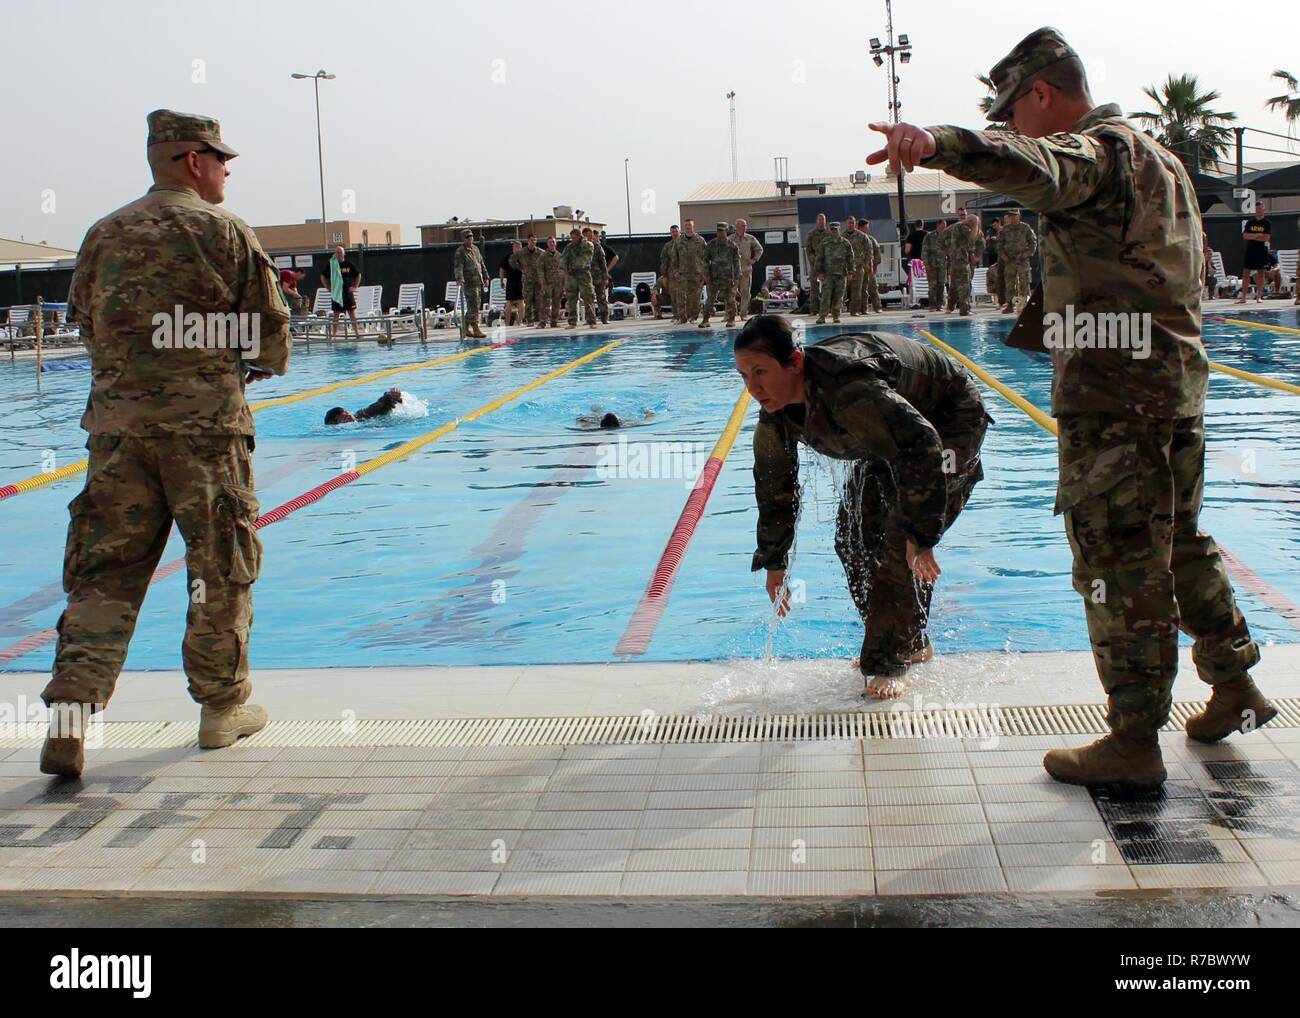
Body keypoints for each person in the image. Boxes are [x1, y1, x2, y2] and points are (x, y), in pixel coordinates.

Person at [868, 25, 1273, 786]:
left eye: (1010, 113)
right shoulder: (1160, 158)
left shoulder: (1098, 152)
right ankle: (1236, 685)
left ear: (1043, 95)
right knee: (1181, 543)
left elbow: (1040, 164)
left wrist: (940, 144)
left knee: (1118, 560)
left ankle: (1133, 743)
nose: (1010, 127)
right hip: (1175, 390)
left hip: (1117, 401)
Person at [39, 109, 291, 778]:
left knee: (104, 577)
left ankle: (69, 715)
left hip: (118, 434)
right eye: (220, 159)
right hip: (206, 435)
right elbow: (269, 336)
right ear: (191, 161)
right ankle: (220, 709)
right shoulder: (226, 232)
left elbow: (86, 327)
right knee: (219, 567)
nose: (227, 170)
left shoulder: (104, 232)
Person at [736, 315, 988, 698]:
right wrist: (775, 558)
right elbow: (775, 487)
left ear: (796, 362)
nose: (753, 388)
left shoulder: (851, 390)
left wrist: (922, 534)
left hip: (948, 420)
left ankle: (889, 659)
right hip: (894, 435)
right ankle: (910, 641)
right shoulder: (775, 417)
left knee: (897, 541)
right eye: (744, 376)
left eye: (761, 372)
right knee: (852, 538)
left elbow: (921, 445)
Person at [700, 221, 740, 328]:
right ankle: (705, 320)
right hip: (714, 277)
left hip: (728, 277)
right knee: (710, 300)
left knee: (730, 300)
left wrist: (736, 277)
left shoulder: (732, 246)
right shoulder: (711, 244)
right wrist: (706, 275)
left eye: (722, 231)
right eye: (718, 231)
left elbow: (736, 262)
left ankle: (731, 319)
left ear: (726, 231)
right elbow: (705, 261)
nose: (720, 233)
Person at [997, 208, 1037, 314]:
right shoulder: (1005, 229)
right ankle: (1010, 305)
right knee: (1010, 283)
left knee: (1024, 282)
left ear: (1019, 216)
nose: (1012, 217)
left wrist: (1027, 254)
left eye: (1014, 215)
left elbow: (1033, 242)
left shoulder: (1025, 228)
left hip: (1022, 260)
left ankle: (1024, 305)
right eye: (1010, 216)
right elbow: (999, 245)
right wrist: (1004, 256)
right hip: (1010, 260)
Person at [814, 221, 855, 323]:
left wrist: (851, 272)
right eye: (832, 230)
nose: (834, 232)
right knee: (825, 296)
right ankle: (822, 316)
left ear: (839, 230)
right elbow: (819, 258)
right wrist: (819, 272)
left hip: (841, 274)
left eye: (836, 230)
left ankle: (836, 316)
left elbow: (850, 258)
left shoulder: (845, 243)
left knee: (839, 296)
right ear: (830, 230)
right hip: (828, 274)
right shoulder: (824, 243)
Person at [453, 228, 489, 339]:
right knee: (473, 305)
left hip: (478, 281)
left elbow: (481, 264)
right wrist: (460, 279)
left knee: (476, 306)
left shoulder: (476, 249)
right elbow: (458, 267)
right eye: (468, 237)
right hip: (468, 282)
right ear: (463, 239)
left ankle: (465, 326)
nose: (470, 238)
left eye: (471, 236)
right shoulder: (460, 251)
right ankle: (476, 329)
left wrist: (486, 276)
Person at [561, 227, 598, 329]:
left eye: (574, 237)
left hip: (583, 275)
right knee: (571, 299)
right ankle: (572, 322)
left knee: (588, 298)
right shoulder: (569, 247)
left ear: (579, 236)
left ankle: (591, 321)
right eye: (571, 238)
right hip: (571, 276)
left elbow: (583, 260)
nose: (572, 240)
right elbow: (563, 259)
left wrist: (571, 266)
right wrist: (565, 269)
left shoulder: (587, 245)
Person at [326, 245, 361, 341]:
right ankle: (334, 334)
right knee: (336, 314)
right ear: (335, 254)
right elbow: (323, 276)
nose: (339, 254)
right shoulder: (332, 265)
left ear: (344, 253)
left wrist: (355, 287)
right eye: (337, 252)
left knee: (352, 314)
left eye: (341, 252)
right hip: (337, 293)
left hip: (347, 293)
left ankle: (357, 333)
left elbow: (358, 275)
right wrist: (328, 288)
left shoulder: (348, 264)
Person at [732, 219, 765, 321]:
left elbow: (759, 249)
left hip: (746, 270)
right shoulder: (730, 239)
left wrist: (754, 259)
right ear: (736, 227)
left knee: (746, 293)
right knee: (731, 293)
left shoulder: (750, 238)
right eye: (742, 225)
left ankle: (743, 314)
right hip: (733, 271)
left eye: (745, 225)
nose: (744, 227)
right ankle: (730, 315)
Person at [1239, 202, 1271, 303]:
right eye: (1257, 209)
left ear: (1263, 210)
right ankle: (1243, 297)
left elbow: (1266, 237)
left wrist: (1252, 236)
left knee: (1261, 273)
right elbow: (1245, 236)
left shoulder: (1267, 223)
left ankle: (1259, 296)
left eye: (1260, 209)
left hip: (1261, 250)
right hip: (1250, 250)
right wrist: (1258, 234)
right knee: (1246, 273)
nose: (1258, 211)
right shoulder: (1250, 222)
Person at [678, 219, 708, 324]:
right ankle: (683, 318)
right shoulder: (679, 240)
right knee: (682, 297)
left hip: (697, 273)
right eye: (686, 225)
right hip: (683, 273)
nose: (688, 227)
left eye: (689, 225)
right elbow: (674, 256)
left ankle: (694, 317)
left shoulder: (700, 240)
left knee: (695, 297)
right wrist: (675, 270)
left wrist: (704, 272)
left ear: (693, 226)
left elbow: (706, 257)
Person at [324, 388, 407, 425]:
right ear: (334, 422)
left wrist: (391, 395)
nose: (349, 415)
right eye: (343, 416)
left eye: (347, 412)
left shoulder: (362, 415)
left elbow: (377, 404)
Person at [803, 213, 830, 315]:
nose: (821, 221)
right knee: (814, 289)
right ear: (816, 221)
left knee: (827, 289)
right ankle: (814, 310)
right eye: (819, 220)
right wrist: (815, 263)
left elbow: (833, 250)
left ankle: (827, 310)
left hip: (827, 266)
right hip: (814, 266)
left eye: (823, 219)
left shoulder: (829, 234)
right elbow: (808, 251)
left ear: (825, 221)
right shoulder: (811, 235)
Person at [516, 234, 545, 325]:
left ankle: (540, 320)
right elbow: (513, 261)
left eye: (535, 240)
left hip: (538, 280)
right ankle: (529, 320)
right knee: (528, 301)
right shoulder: (521, 253)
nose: (533, 242)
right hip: (527, 281)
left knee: (539, 301)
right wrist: (522, 269)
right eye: (531, 240)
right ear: (528, 241)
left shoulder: (541, 252)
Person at [584, 226, 611, 324]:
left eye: (592, 233)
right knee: (588, 298)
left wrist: (605, 277)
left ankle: (604, 318)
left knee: (601, 297)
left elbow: (603, 262)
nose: (591, 235)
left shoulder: (597, 246)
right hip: (586, 277)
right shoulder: (581, 247)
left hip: (598, 276)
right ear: (584, 235)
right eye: (589, 233)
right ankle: (590, 319)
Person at [921, 219, 948, 310]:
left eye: (945, 226)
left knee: (941, 285)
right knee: (933, 286)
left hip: (942, 265)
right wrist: (926, 264)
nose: (944, 228)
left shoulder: (947, 236)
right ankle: (932, 305)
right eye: (942, 226)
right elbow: (924, 251)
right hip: (932, 265)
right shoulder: (929, 236)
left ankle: (939, 305)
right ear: (938, 225)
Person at [539, 237, 564, 328]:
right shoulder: (543, 256)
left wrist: (563, 282)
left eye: (553, 242)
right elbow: (540, 270)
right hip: (548, 284)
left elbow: (563, 269)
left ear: (556, 243)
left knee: (556, 304)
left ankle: (554, 322)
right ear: (547, 244)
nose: (552, 244)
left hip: (558, 284)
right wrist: (543, 283)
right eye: (550, 242)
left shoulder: (560, 256)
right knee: (545, 304)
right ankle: (543, 322)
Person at [500, 241, 526, 326]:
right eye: (515, 247)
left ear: (521, 247)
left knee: (521, 301)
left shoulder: (523, 257)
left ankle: (520, 321)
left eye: (518, 247)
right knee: (509, 302)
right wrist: (501, 280)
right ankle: (507, 322)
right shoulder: (508, 257)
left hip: (520, 281)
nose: (517, 248)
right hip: (511, 281)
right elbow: (502, 269)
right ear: (513, 248)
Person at [658, 225, 681, 320]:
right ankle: (676, 316)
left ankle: (687, 315)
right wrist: (664, 275)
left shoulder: (685, 244)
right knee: (674, 296)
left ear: (679, 232)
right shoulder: (668, 246)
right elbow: (664, 261)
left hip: (685, 273)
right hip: (672, 275)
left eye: (676, 231)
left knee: (685, 296)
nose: (675, 233)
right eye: (673, 232)